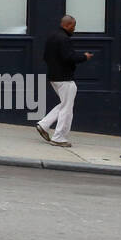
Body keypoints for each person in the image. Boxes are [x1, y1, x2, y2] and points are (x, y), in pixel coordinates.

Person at [37, 14, 92, 147]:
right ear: (67, 25)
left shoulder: (52, 37)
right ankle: (59, 137)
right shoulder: (64, 39)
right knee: (67, 108)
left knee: (64, 104)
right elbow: (69, 57)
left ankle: (44, 124)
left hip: (54, 76)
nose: (74, 29)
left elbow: (45, 56)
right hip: (65, 78)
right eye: (73, 26)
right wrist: (84, 57)